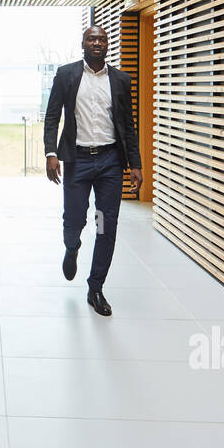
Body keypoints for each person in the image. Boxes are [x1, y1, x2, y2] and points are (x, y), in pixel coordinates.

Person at [43, 25, 143, 316]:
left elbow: (128, 125)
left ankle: (95, 287)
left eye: (102, 39)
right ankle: (72, 246)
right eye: (91, 38)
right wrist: (52, 153)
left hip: (110, 163)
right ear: (83, 43)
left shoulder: (121, 80)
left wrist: (134, 164)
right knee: (75, 218)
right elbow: (52, 117)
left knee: (105, 224)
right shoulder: (67, 75)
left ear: (107, 44)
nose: (97, 42)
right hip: (78, 160)